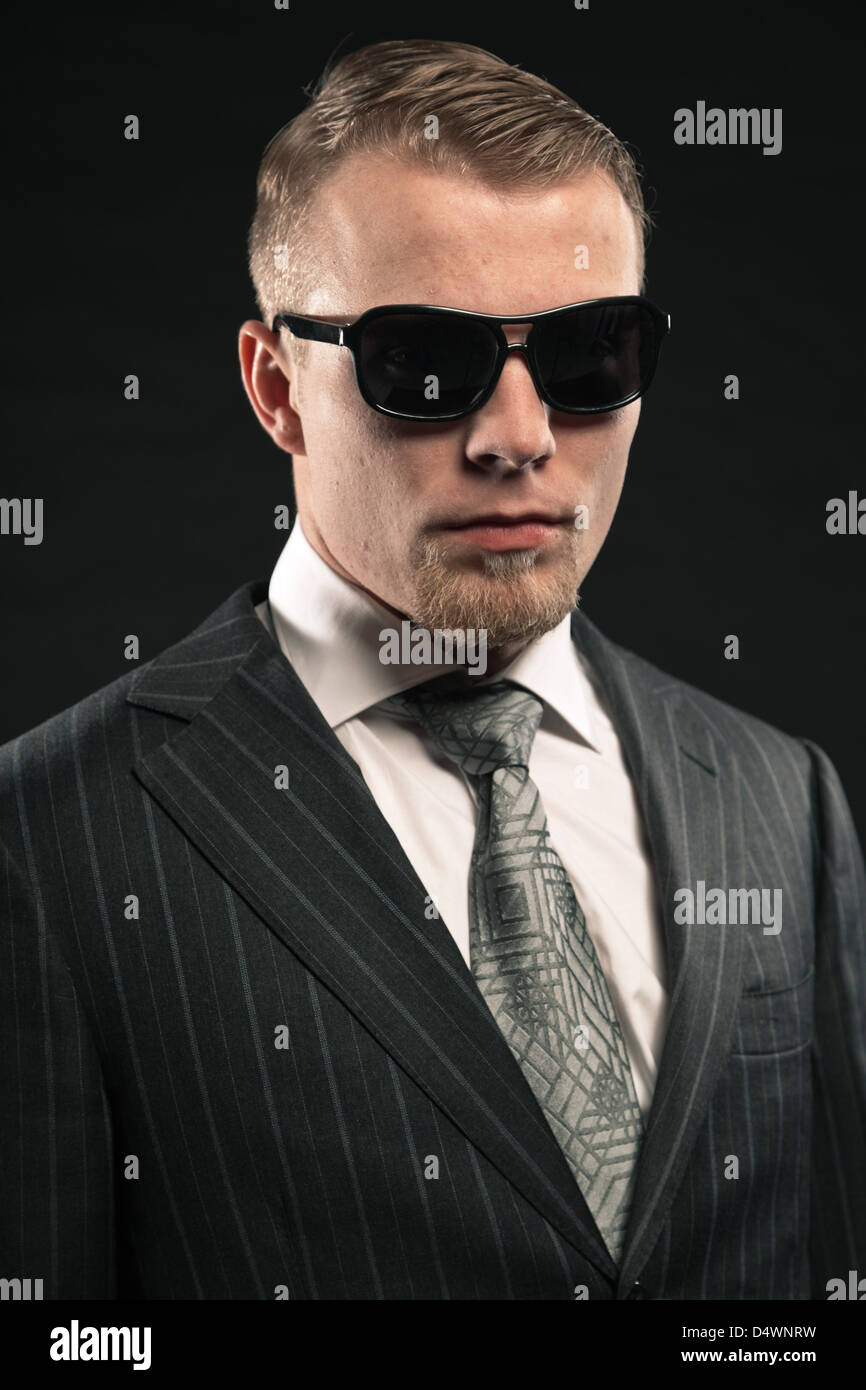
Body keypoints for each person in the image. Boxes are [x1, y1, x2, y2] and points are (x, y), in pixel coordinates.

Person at [1, 38, 863, 1301]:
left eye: (587, 356)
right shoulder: (43, 842)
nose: (517, 436)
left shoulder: (779, 800)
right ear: (275, 386)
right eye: (420, 361)